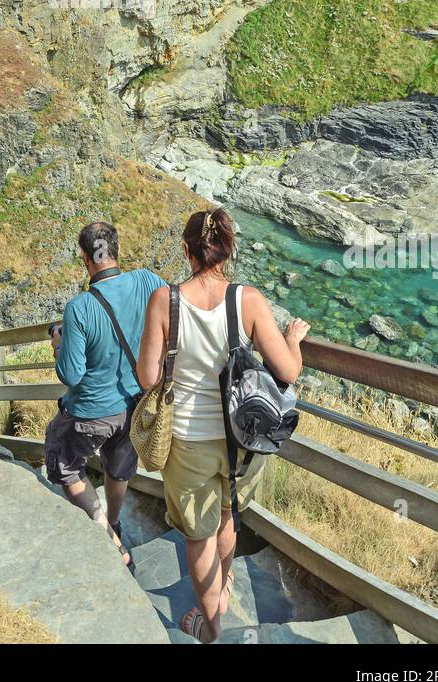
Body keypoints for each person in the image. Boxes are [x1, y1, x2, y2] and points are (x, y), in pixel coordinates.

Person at [137, 207, 310, 642]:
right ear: (229, 252)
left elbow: (148, 378)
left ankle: (210, 625)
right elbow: (288, 371)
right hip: (242, 439)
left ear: (186, 250)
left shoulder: (163, 301)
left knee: (199, 536)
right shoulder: (247, 300)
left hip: (187, 441)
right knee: (229, 514)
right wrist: (292, 340)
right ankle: (223, 586)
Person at [45, 221, 164, 564]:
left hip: (92, 411)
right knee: (119, 467)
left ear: (85, 258)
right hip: (137, 404)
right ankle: (114, 520)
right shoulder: (147, 281)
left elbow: (71, 374)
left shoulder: (79, 308)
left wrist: (59, 343)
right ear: (116, 249)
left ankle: (108, 538)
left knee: (66, 466)